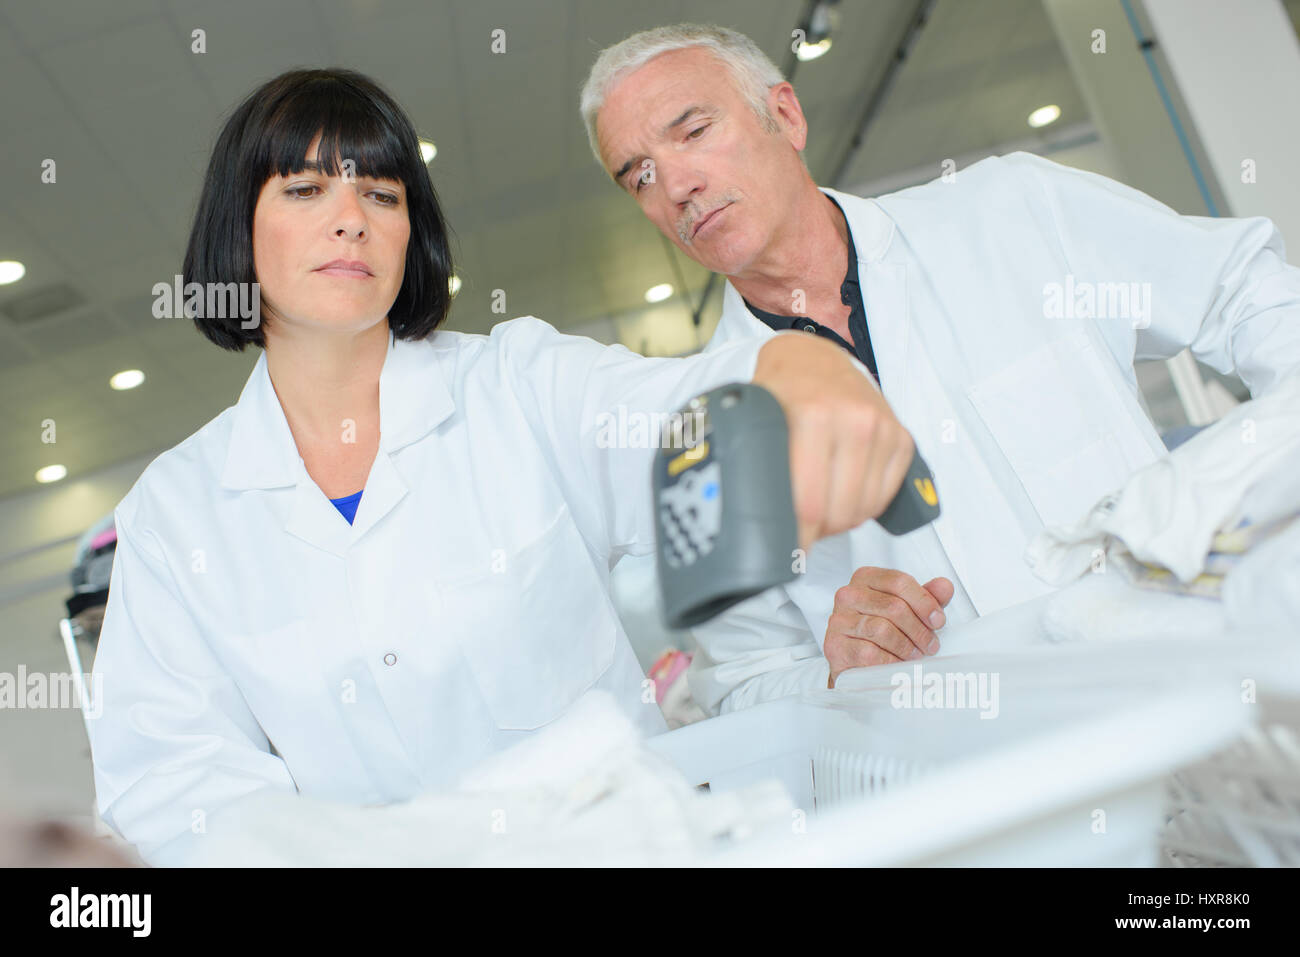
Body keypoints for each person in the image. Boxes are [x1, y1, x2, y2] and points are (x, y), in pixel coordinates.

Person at [89, 68, 915, 864]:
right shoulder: (179, 513)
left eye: (382, 193)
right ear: (240, 226)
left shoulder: (515, 385)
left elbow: (679, 411)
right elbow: (179, 792)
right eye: (305, 190)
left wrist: (787, 368)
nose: (352, 219)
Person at [579, 24, 1300, 710]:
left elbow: (1247, 294)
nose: (674, 185)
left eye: (694, 132)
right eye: (638, 176)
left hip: (1205, 698)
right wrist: (833, 671)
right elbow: (743, 684)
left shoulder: (1013, 213)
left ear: (785, 116)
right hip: (999, 795)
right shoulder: (708, 437)